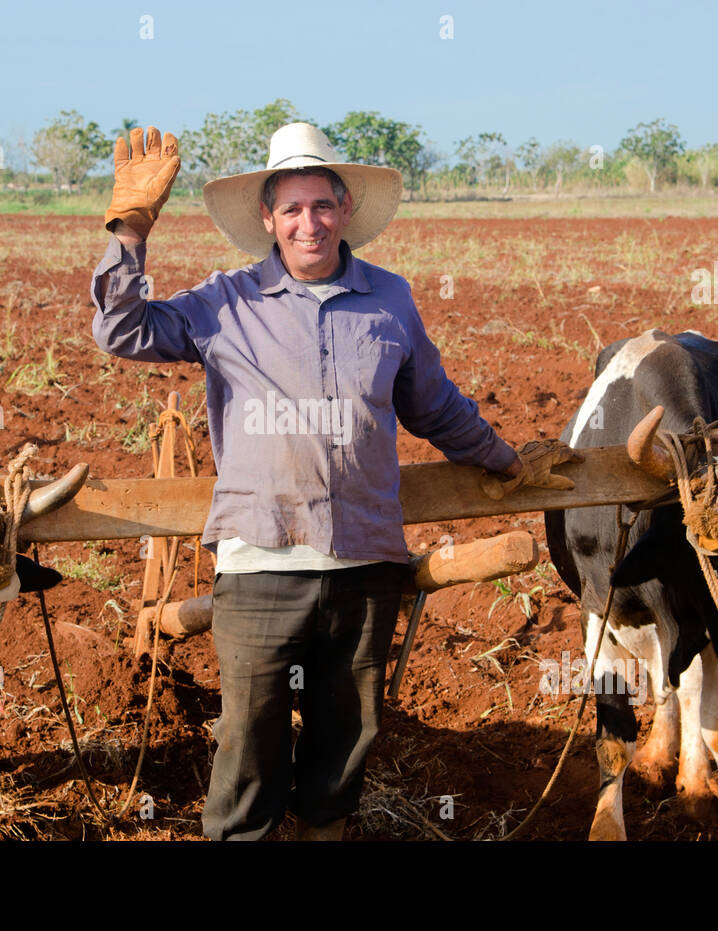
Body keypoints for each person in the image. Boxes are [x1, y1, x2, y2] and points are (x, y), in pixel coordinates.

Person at [90, 123, 579, 841]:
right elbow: (121, 330)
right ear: (267, 218)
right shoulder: (223, 303)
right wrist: (132, 226)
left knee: (342, 749)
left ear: (345, 208)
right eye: (291, 208)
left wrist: (506, 460)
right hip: (260, 566)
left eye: (320, 205)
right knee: (247, 753)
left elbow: (434, 404)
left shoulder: (390, 301)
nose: (307, 222)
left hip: (363, 565)